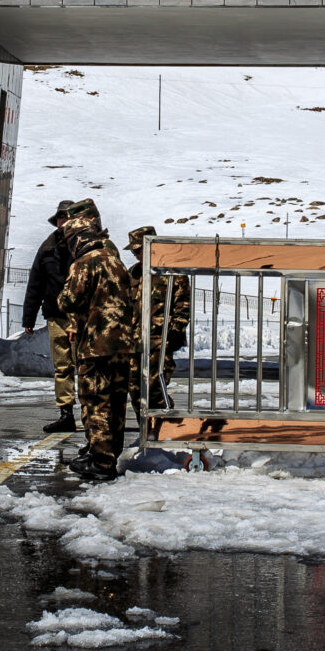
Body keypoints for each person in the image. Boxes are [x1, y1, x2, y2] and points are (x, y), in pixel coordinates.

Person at [51, 200, 134, 481]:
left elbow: (69, 300)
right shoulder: (115, 259)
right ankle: (111, 453)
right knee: (116, 403)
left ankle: (101, 462)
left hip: (95, 344)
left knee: (96, 402)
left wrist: (63, 296)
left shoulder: (84, 264)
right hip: (123, 344)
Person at [21, 200, 80, 433]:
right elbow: (36, 283)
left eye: (68, 217)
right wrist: (29, 318)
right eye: (61, 218)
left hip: (82, 317)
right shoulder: (47, 248)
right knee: (62, 366)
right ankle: (66, 413)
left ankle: (92, 413)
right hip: (56, 316)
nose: (64, 221)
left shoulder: (85, 245)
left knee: (84, 365)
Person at [125, 226, 192, 415]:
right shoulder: (134, 273)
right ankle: (146, 429)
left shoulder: (171, 272)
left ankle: (163, 426)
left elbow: (183, 305)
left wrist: (173, 330)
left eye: (139, 249)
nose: (136, 254)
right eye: (134, 251)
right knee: (135, 389)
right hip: (136, 342)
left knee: (155, 387)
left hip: (160, 341)